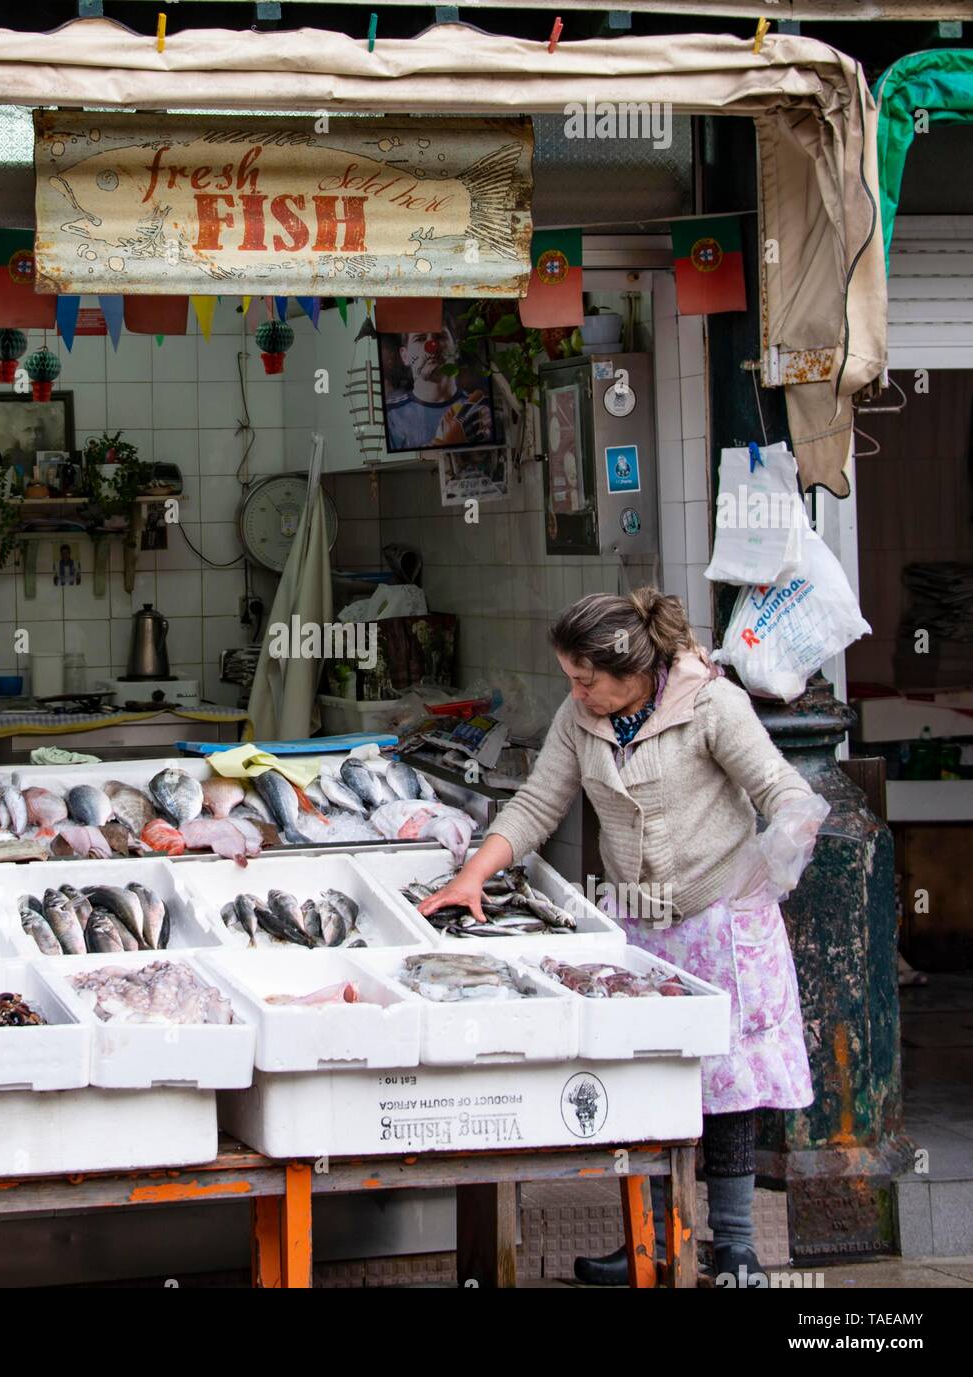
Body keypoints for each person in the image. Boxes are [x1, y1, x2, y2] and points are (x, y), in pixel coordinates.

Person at [419, 589, 824, 1287]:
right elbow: (539, 802)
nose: (577, 692)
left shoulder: (710, 705)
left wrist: (780, 851)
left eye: (586, 679)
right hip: (640, 928)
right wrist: (472, 875)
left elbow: (782, 790)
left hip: (721, 919)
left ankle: (734, 1246)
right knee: (647, 1083)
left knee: (726, 1091)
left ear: (633, 669)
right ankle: (651, 1241)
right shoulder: (580, 718)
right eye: (571, 680)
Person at [384, 321, 495, 451]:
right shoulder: (390, 416)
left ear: (457, 349)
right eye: (420, 338)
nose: (431, 346)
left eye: (440, 336)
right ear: (404, 355)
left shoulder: (483, 410)